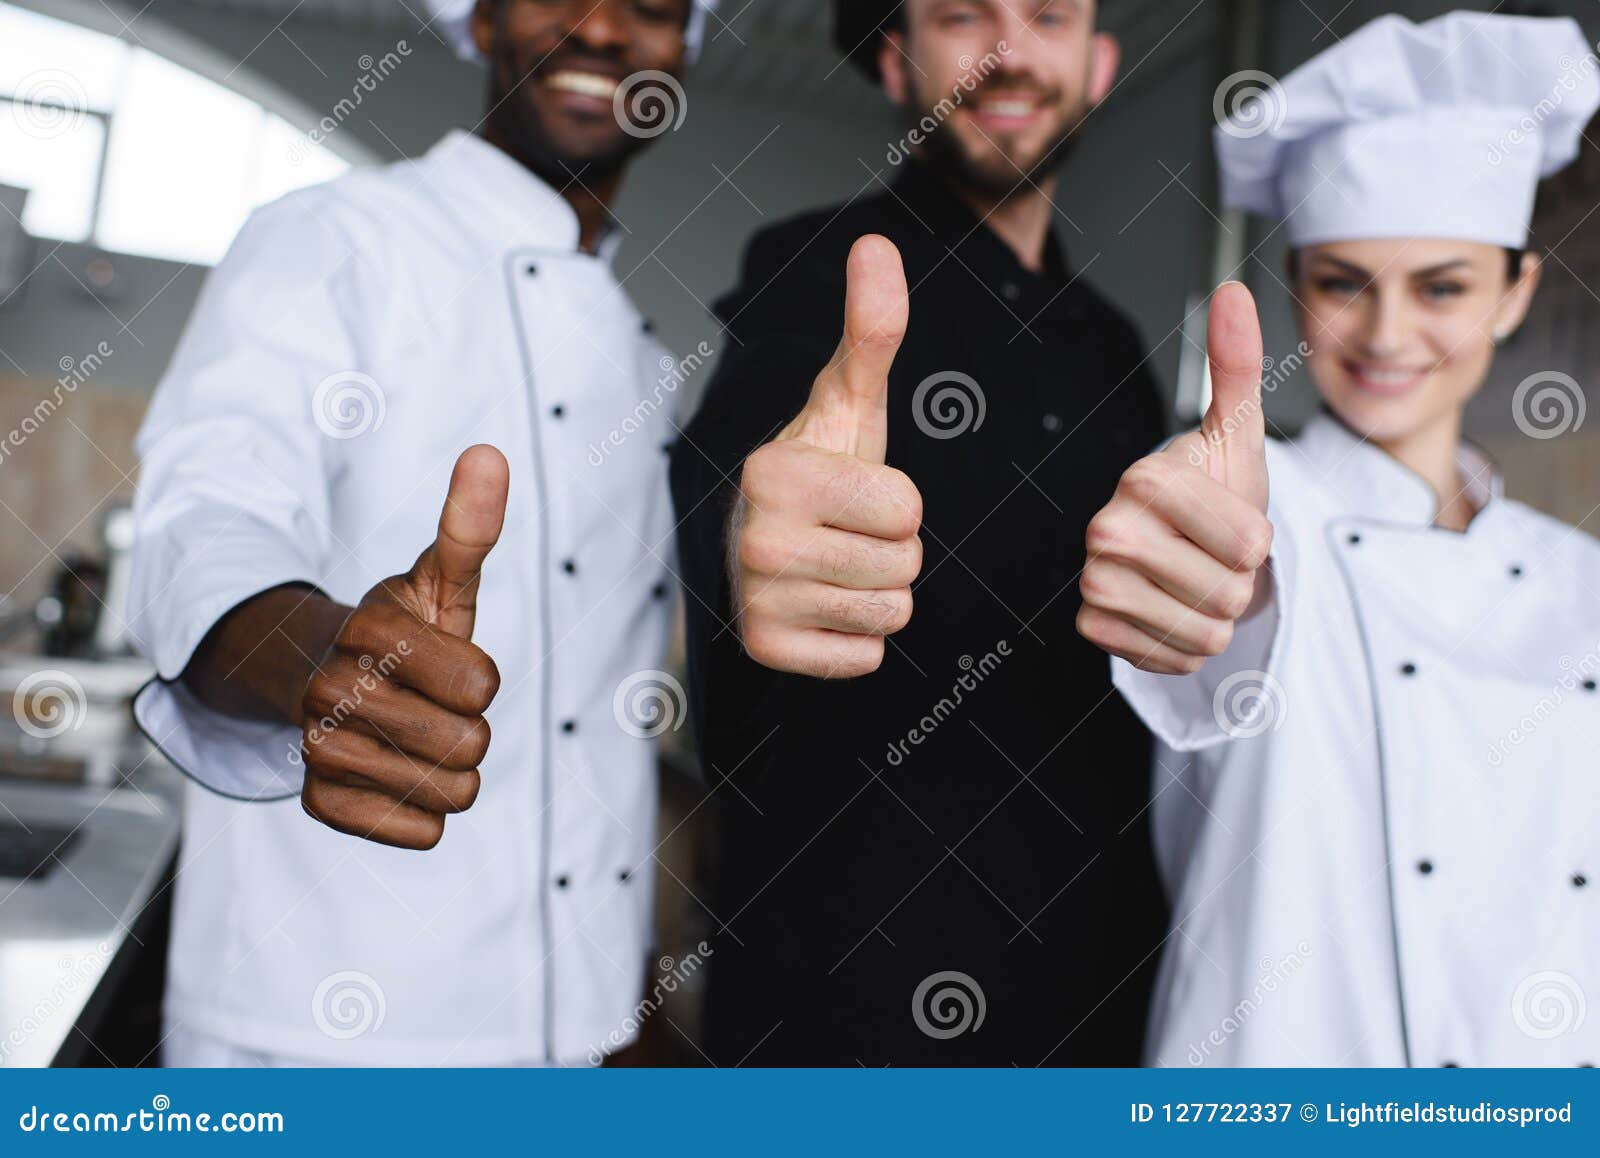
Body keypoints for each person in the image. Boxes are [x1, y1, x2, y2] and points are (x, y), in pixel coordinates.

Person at [129, 0, 717, 1067]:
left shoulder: (640, 359)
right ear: (481, 20)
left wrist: (615, 983)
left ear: (685, 47)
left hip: (572, 1035)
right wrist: (326, 658)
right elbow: (204, 515)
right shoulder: (335, 236)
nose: (601, 32)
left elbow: (592, 728)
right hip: (315, 1038)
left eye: (652, 8)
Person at [1078, 11, 1600, 1066]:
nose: (1388, 335)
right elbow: (1206, 610)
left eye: (1442, 285)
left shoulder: (1579, 577)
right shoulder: (1270, 521)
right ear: (1294, 293)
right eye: (1340, 282)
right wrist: (1166, 567)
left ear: (1515, 294)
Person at [671, 0, 1171, 1064]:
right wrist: (744, 540)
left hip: (1099, 985)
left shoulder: (1120, 352)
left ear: (1099, 62)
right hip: (846, 990)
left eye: (1046, 14)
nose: (1008, 50)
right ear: (897, 64)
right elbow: (734, 472)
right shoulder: (819, 269)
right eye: (959, 15)